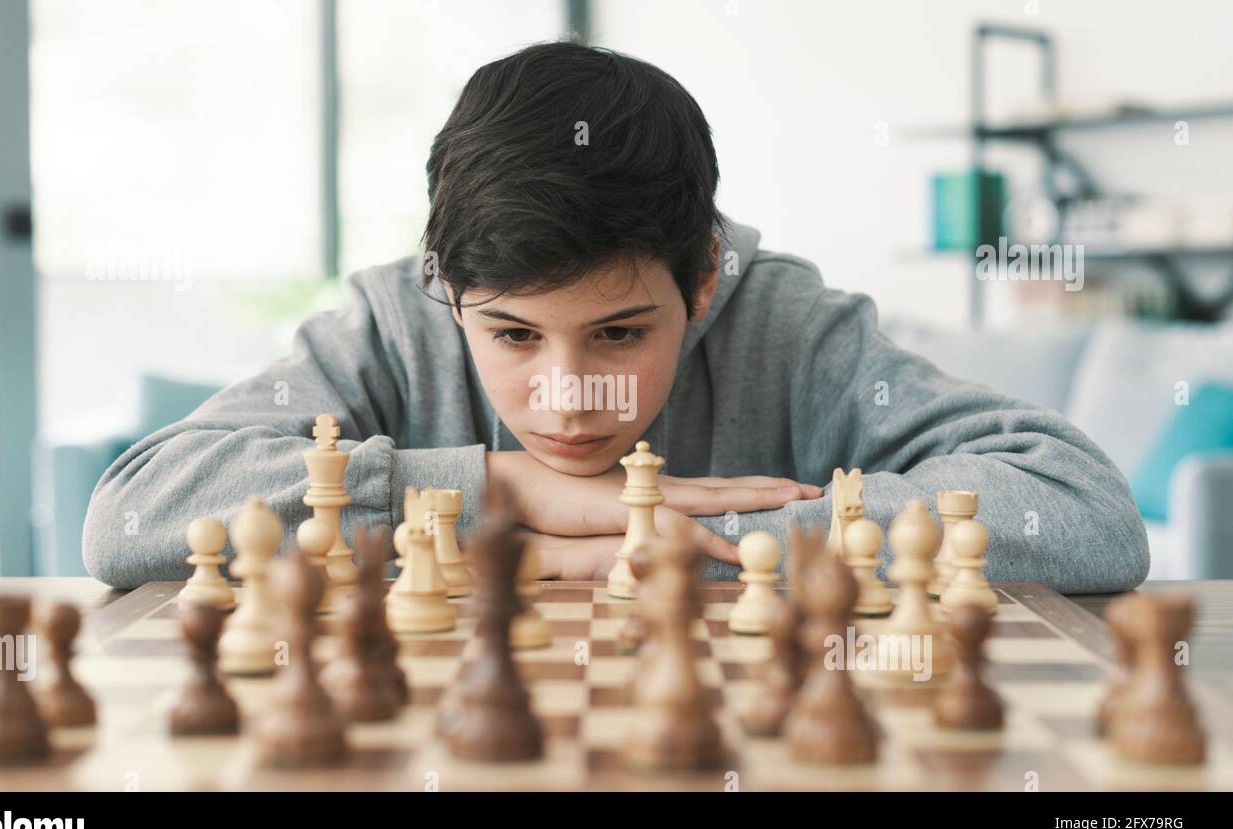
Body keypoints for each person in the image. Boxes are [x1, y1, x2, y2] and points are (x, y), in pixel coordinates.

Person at [82, 41, 1149, 593]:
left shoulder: (790, 326)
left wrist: (694, 540)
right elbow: (126, 519)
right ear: (445, 288)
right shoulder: (390, 321)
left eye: (619, 332)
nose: (567, 395)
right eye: (510, 335)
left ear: (702, 283)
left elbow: (1088, 513)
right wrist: (495, 490)